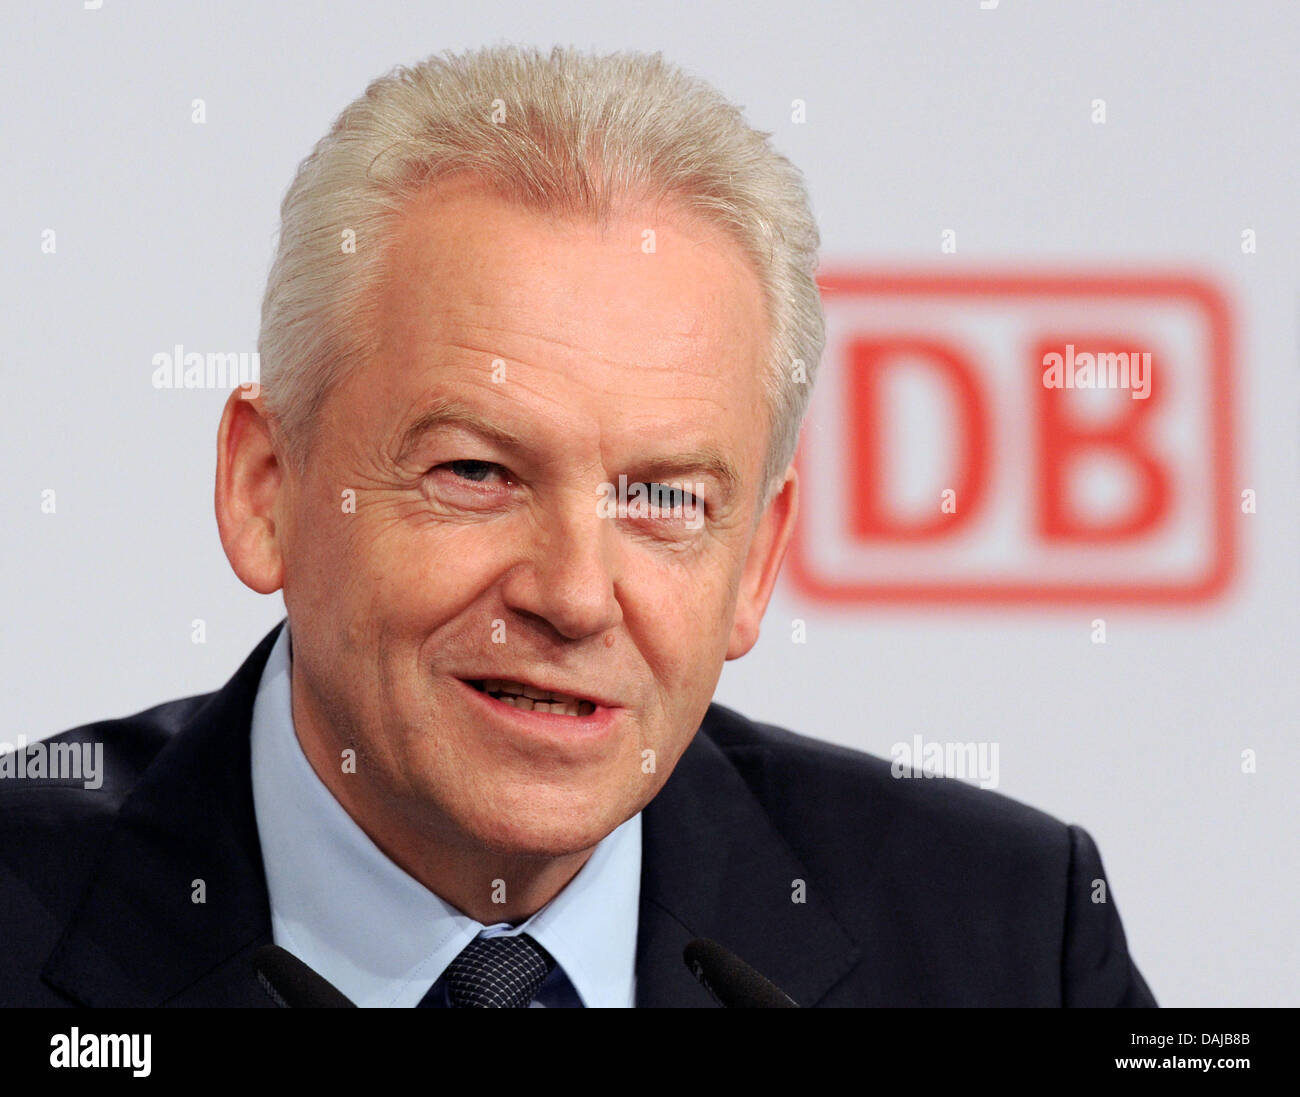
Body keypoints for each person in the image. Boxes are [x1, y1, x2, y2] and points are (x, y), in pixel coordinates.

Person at [0, 45, 1154, 1007]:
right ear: (266, 489)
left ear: (755, 559)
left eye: (663, 499)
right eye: (477, 471)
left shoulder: (1003, 937)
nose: (573, 593)